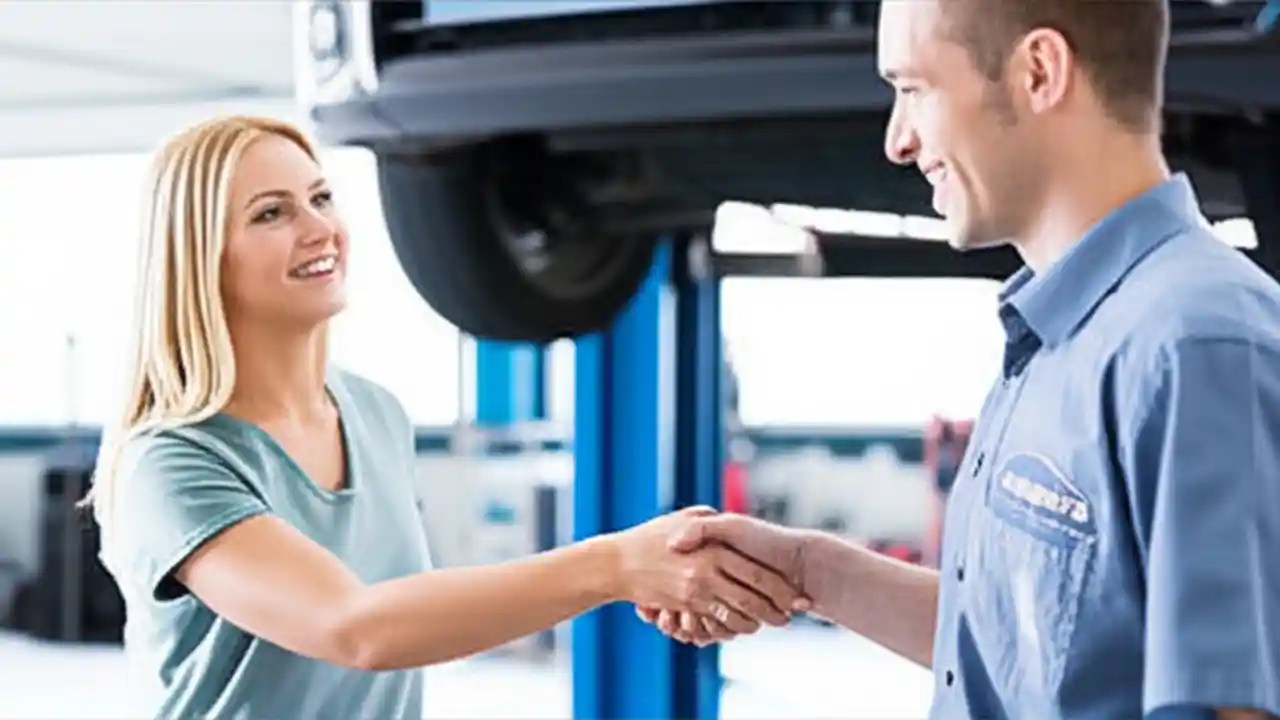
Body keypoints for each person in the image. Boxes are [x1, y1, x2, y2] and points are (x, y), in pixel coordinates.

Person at [641, 1, 1280, 718]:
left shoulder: (1198, 347)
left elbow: (1237, 703)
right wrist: (804, 569)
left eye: (914, 89)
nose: (898, 141)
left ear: (1039, 71)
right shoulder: (1056, 334)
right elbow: (1011, 642)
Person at [84, 115, 808, 720]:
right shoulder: (172, 462)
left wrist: (655, 576)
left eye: (321, 197)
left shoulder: (372, 413)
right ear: (202, 258)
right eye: (271, 213)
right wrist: (617, 566)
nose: (319, 228)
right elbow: (358, 627)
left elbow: (416, 618)